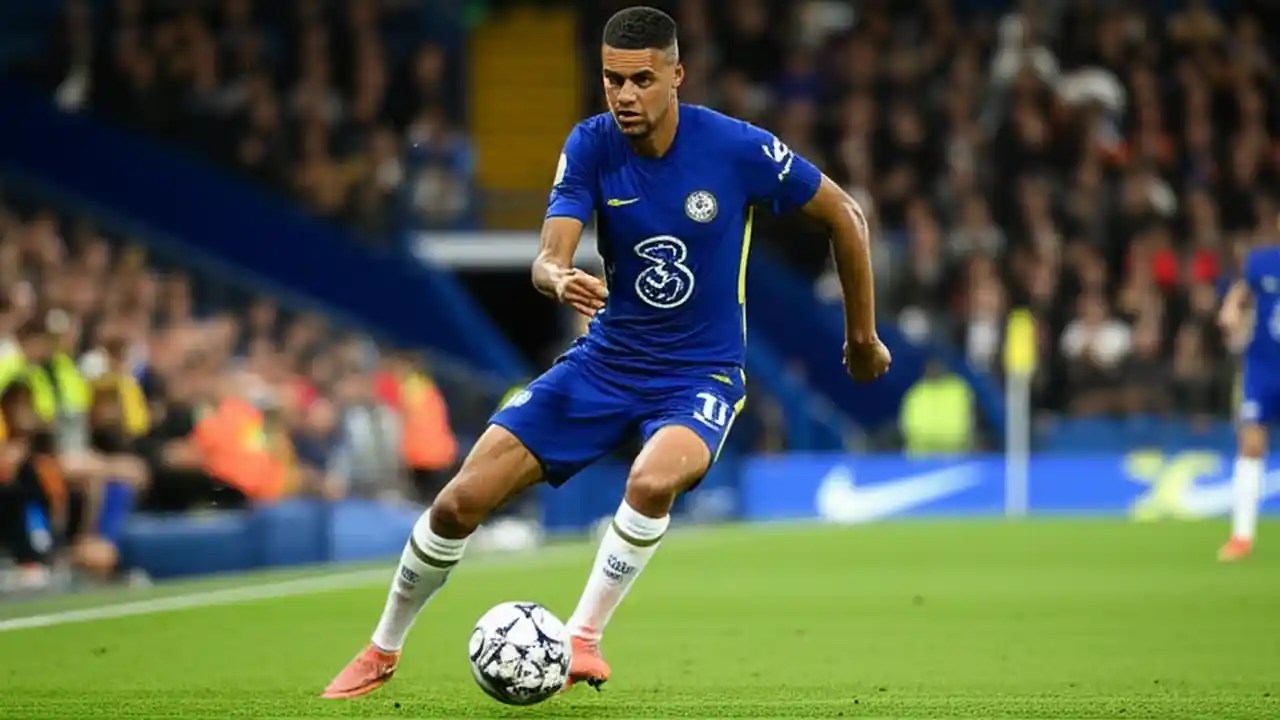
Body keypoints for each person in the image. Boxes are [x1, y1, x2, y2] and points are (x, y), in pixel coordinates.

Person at [322, 5, 891, 699]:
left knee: (651, 482)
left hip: (698, 374)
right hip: (605, 364)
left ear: (677, 76)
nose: (624, 95)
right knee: (459, 500)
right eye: (612, 80)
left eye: (641, 80)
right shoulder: (591, 145)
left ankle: (583, 638)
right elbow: (547, 255)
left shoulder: (737, 149)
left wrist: (860, 338)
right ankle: (381, 650)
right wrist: (557, 275)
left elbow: (845, 215)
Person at [1217, 240, 1280, 561]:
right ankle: (1242, 537)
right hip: (1263, 368)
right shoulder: (1263, 262)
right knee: (1251, 443)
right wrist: (1231, 307)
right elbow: (1242, 291)